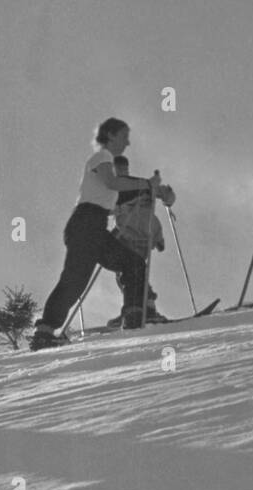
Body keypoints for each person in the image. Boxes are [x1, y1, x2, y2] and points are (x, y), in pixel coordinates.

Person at [31, 118, 175, 349]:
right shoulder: (101, 157)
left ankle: (134, 313)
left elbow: (123, 191)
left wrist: (155, 191)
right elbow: (113, 183)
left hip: (94, 226)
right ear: (110, 135)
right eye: (124, 136)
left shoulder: (107, 165)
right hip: (85, 223)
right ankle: (45, 331)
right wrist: (148, 184)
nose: (127, 142)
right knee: (75, 278)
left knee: (133, 263)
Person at [107, 157, 169, 325]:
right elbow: (164, 193)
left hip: (134, 233)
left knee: (129, 270)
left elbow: (162, 192)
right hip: (141, 233)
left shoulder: (124, 186)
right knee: (133, 270)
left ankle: (141, 309)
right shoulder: (136, 185)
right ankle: (140, 307)